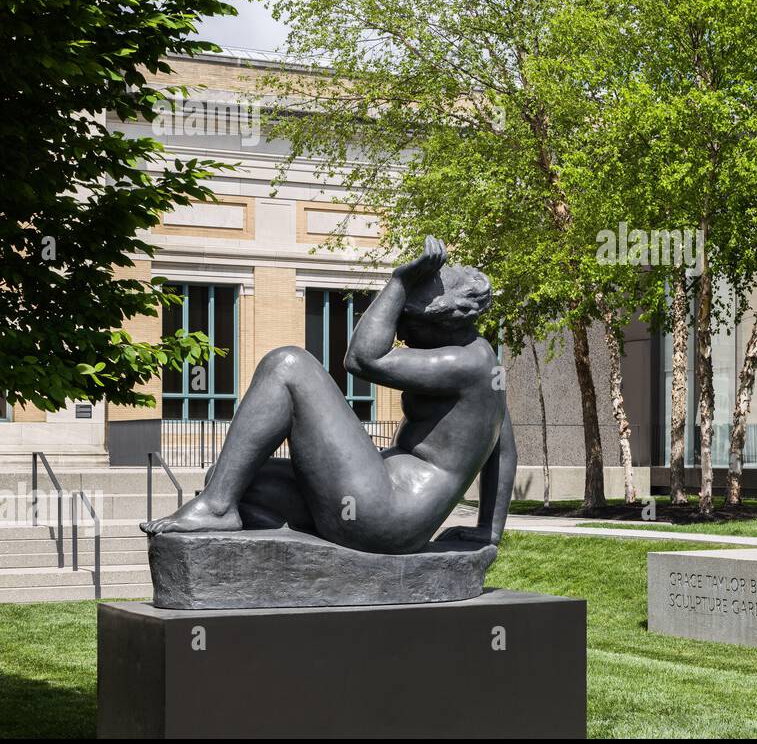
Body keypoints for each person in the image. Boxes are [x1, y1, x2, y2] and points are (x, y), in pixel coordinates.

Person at [141, 237, 515, 554]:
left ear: (445, 320)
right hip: (383, 509)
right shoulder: (485, 364)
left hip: (384, 513)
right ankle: (252, 536)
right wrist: (489, 530)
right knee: (237, 480)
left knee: (287, 365)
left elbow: (362, 358)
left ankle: (218, 509)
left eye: (409, 325)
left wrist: (399, 283)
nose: (404, 337)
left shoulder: (462, 364)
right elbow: (505, 450)